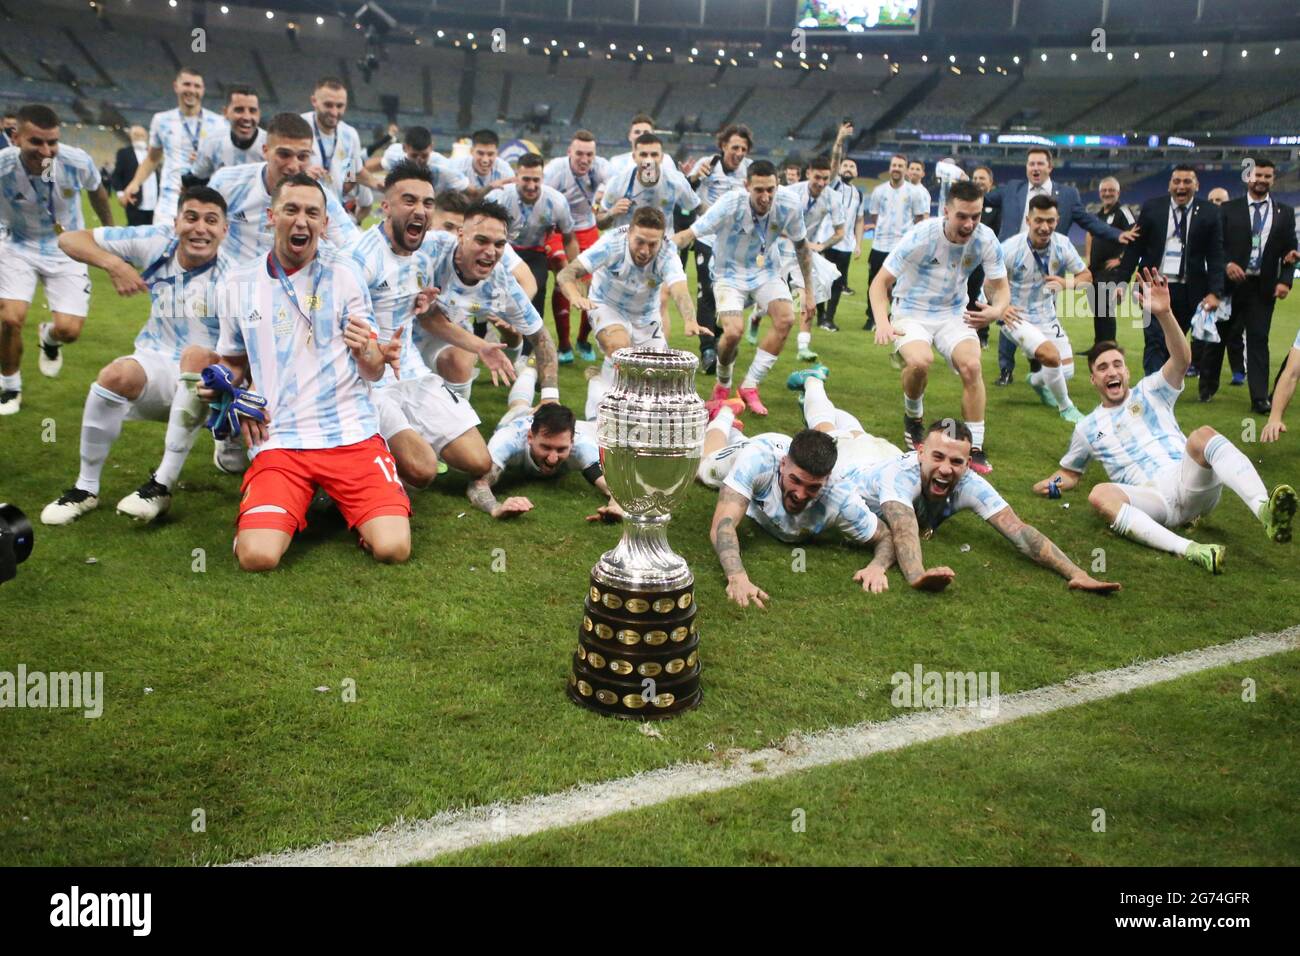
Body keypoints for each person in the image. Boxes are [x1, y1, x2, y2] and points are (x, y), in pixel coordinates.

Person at [212, 172, 411, 571]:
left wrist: (373, 353)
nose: (301, 221)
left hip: (350, 434)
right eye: (291, 210)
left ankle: (338, 503)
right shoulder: (237, 283)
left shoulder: (345, 273)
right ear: (271, 216)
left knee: (394, 549)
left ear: (324, 223)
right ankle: (306, 501)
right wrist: (226, 388)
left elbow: (371, 371)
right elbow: (234, 362)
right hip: (281, 438)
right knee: (257, 558)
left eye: (311, 213)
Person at [1033, 270, 1294, 572]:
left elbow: (1181, 360)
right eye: (1102, 368)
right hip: (1152, 500)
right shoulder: (1087, 427)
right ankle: (1194, 551)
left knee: (1202, 436)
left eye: (1117, 364)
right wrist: (1047, 484)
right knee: (1100, 494)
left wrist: (1165, 313)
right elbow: (1069, 473)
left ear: (1127, 372)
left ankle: (1265, 511)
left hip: (1187, 480)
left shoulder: (1151, 389)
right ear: (1093, 379)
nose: (1112, 371)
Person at [40, 186, 235, 524]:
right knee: (115, 376)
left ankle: (224, 437)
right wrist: (114, 264)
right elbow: (70, 239)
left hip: (215, 385)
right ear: (175, 222)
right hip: (158, 363)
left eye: (211, 221)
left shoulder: (236, 275)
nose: (200, 228)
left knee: (234, 460)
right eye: (191, 218)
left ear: (224, 230)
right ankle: (88, 489)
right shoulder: (156, 241)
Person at [347, 162, 513, 491]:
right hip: (370, 381)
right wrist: (374, 353)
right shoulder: (360, 261)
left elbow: (426, 311)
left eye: (427, 203)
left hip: (411, 371)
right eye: (409, 201)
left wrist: (476, 343)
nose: (420, 210)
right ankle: (363, 453)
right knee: (422, 472)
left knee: (479, 461)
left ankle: (404, 435)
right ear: (386, 206)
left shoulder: (424, 251)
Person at [862, 419, 1120, 594]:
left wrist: (1078, 573)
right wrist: (918, 575)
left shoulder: (969, 483)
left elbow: (1019, 531)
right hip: (857, 459)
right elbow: (904, 528)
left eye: (956, 461)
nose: (945, 469)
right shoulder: (899, 476)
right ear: (920, 453)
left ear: (968, 463)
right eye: (937, 457)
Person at [868, 180, 1008, 473]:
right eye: (962, 216)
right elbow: (880, 283)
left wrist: (995, 310)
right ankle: (914, 417)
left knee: (972, 365)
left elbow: (1000, 288)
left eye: (976, 216)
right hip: (911, 311)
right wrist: (882, 321)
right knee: (920, 362)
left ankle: (975, 447)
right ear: (946, 211)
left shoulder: (985, 239)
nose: (970, 224)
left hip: (953, 314)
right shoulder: (921, 236)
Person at [671, 159, 815, 417]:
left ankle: (750, 385)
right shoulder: (730, 203)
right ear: (747, 185)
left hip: (766, 271)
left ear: (778, 185)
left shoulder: (789, 205)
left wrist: (810, 292)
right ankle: (723, 384)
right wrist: (662, 249)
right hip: (728, 274)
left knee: (786, 319)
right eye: (759, 190)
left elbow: (802, 246)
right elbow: (691, 233)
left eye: (770, 189)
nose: (765, 196)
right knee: (734, 332)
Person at [986, 149, 1137, 385]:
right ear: (1026, 167)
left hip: (1049, 272)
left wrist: (1118, 236)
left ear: (1049, 167)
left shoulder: (1067, 195)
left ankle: (1040, 371)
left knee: (1044, 322)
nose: (1035, 168)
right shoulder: (1012, 189)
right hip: (1013, 264)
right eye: (1031, 164)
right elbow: (982, 199)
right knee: (1010, 314)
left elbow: (1090, 222)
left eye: (1040, 164)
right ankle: (1006, 370)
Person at [0, 104, 114, 416]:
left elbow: (98, 192)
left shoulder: (76, 162)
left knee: (70, 331)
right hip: (16, 244)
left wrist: (110, 233)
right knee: (10, 318)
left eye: (52, 141)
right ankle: (9, 387)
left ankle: (49, 336)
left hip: (67, 246)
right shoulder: (3, 166)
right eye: (36, 142)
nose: (46, 150)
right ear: (16, 137)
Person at [708, 428, 894, 608]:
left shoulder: (841, 498)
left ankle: (736, 431)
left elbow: (885, 536)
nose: (800, 494)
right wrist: (737, 577)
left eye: (812, 487)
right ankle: (724, 417)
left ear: (827, 480)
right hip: (753, 448)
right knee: (704, 468)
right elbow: (722, 525)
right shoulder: (756, 462)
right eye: (795, 480)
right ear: (782, 464)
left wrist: (877, 567)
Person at [556, 207, 700, 417]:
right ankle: (600, 416)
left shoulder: (668, 254)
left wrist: (690, 320)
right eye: (640, 241)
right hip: (606, 304)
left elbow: (679, 290)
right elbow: (565, 274)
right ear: (629, 233)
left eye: (652, 244)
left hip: (645, 314)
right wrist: (575, 296)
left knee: (654, 374)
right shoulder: (611, 243)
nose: (645, 250)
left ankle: (598, 381)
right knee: (619, 348)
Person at [412, 199, 559, 405]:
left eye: (499, 244)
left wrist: (550, 397)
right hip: (400, 336)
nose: (491, 251)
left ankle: (456, 413)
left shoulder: (502, 282)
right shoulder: (427, 247)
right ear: (461, 235)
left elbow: (541, 336)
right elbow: (428, 318)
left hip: (449, 333)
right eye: (481, 241)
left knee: (460, 362)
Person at [1201, 159, 1296, 412]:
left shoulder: (1283, 212)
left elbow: (1291, 251)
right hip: (1229, 286)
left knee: (1258, 340)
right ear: (1248, 177)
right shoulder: (1228, 209)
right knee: (1218, 337)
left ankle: (1259, 398)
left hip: (1262, 288)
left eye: (1267, 176)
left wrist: (1285, 281)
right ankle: (1207, 386)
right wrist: (1227, 264)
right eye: (1258, 175)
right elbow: (1215, 247)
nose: (1262, 180)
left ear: (1273, 179)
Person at [1117, 164, 1224, 378]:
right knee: (1154, 340)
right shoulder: (1152, 208)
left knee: (1174, 341)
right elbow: (1134, 248)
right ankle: (1152, 388)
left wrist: (1215, 292)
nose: (1181, 186)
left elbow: (1215, 255)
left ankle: (1164, 384)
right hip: (1152, 287)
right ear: (1169, 186)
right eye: (1176, 181)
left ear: (1196, 185)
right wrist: (1120, 282)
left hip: (1189, 291)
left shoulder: (1210, 213)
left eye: (1187, 181)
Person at [207, 112, 359, 262]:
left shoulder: (350, 136)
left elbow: (354, 247)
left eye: (302, 157)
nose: (293, 166)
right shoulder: (227, 183)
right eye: (284, 155)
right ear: (265, 151)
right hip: (237, 282)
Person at [999, 195, 1091, 423]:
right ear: (1028, 219)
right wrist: (1002, 307)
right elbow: (990, 284)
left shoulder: (1063, 244)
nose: (1044, 227)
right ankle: (1066, 407)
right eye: (1039, 220)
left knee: (1065, 372)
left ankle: (1036, 380)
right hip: (1015, 317)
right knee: (1051, 357)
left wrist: (1067, 283)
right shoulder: (1010, 249)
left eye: (1050, 221)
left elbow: (1086, 276)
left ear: (1057, 220)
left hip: (1047, 316)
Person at [469, 391, 623, 522]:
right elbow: (478, 484)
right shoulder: (508, 440)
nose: (553, 459)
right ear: (530, 437)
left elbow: (614, 486)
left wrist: (615, 507)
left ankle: (594, 377)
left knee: (603, 424)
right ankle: (528, 366)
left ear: (572, 441)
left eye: (561, 449)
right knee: (518, 406)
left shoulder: (582, 446)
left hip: (586, 429)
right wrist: (496, 508)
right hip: (515, 419)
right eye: (546, 447)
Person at [685, 123, 754, 374]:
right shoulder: (708, 164)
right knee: (706, 291)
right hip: (707, 237)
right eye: (735, 147)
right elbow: (687, 194)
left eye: (743, 148)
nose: (739, 152)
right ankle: (707, 349)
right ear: (723, 146)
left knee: (732, 292)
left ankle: (722, 335)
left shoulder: (749, 170)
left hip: (736, 243)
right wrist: (694, 178)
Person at [488, 153, 578, 343]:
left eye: (536, 180)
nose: (531, 185)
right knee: (487, 290)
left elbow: (569, 237)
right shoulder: (499, 196)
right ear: (516, 177)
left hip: (534, 252)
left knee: (536, 289)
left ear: (543, 178)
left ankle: (529, 350)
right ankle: (480, 336)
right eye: (526, 179)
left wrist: (574, 271)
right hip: (502, 250)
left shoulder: (556, 201)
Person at [122, 67, 226, 224]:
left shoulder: (219, 123)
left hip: (206, 199)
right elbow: (153, 158)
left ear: (203, 90)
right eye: (187, 84)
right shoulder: (161, 120)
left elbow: (226, 163)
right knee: (162, 247)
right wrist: (135, 183)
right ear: (176, 86)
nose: (192, 90)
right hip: (169, 201)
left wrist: (207, 161)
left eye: (197, 86)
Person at [543, 130, 612, 363]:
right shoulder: (555, 170)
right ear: (569, 152)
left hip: (588, 229)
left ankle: (583, 339)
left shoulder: (601, 166)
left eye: (589, 154)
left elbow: (616, 183)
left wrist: (604, 192)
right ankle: (564, 345)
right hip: (558, 230)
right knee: (564, 276)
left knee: (593, 285)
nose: (584, 159)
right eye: (579, 153)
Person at [863, 154, 928, 331]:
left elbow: (920, 218)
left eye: (900, 166)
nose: (897, 168)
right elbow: (875, 216)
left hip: (902, 247)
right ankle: (872, 318)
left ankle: (897, 317)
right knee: (874, 282)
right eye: (894, 165)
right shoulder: (879, 191)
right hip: (879, 245)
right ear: (890, 168)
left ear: (905, 169)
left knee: (901, 285)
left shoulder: (914, 192)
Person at [783, 155, 846, 335]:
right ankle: (755, 318)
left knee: (808, 296)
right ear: (808, 173)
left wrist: (821, 246)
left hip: (803, 252)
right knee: (767, 299)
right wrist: (795, 237)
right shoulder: (791, 192)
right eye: (817, 177)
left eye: (825, 178)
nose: (821, 182)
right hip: (781, 247)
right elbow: (774, 222)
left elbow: (840, 232)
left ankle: (804, 347)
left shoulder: (832, 198)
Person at [596, 133, 699, 231]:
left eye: (654, 155)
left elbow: (697, 207)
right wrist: (611, 213)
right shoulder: (617, 183)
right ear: (634, 157)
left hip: (662, 245)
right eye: (643, 155)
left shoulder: (676, 181)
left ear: (662, 157)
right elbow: (600, 223)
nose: (649, 160)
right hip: (626, 245)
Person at [1083, 176, 1136, 349]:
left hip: (1111, 272)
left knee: (1105, 309)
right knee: (1097, 309)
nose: (1107, 193)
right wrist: (1089, 258)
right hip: (1096, 270)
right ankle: (1099, 346)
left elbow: (1135, 233)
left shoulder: (1123, 210)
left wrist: (1121, 259)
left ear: (1118, 192)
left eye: (1111, 190)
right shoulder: (1099, 215)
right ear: (1099, 193)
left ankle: (1110, 345)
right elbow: (1090, 234)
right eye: (1104, 190)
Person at [1204, 186, 1246, 388]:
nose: (1215, 204)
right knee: (1207, 331)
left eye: (1219, 200)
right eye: (1211, 201)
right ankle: (1203, 375)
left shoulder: (1237, 223)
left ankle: (1239, 371)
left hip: (1236, 286)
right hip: (1211, 285)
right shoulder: (1205, 223)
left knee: (1236, 332)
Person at [824, 122, 865, 331]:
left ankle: (828, 318)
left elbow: (859, 220)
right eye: (845, 165)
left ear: (856, 173)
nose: (848, 168)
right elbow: (833, 162)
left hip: (846, 245)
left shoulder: (858, 193)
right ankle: (821, 316)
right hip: (826, 241)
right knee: (822, 280)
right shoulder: (834, 184)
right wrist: (839, 140)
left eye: (852, 166)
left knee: (837, 284)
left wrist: (858, 244)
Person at [301, 77, 369, 200]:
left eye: (340, 106)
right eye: (328, 105)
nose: (334, 112)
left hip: (332, 211)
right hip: (301, 203)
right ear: (314, 101)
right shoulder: (298, 126)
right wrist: (301, 175)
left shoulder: (350, 135)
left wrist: (337, 193)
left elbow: (351, 175)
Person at [188, 86, 266, 180]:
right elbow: (193, 179)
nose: (247, 117)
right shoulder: (213, 143)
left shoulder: (271, 145)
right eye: (239, 110)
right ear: (225, 112)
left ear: (259, 114)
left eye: (252, 111)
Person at [366, 126, 469, 195]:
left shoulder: (445, 168)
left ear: (431, 148)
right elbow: (356, 169)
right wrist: (373, 182)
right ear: (404, 148)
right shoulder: (394, 155)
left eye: (424, 156)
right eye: (414, 155)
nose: (418, 161)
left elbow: (472, 193)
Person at [968, 165, 999, 350]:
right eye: (975, 178)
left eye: (982, 178)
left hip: (985, 260)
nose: (978, 182)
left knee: (983, 299)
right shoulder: (968, 204)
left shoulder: (997, 206)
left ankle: (982, 335)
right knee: (967, 297)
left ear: (991, 183)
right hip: (966, 259)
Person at [605, 113, 679, 181]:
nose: (641, 135)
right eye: (637, 132)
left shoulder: (666, 160)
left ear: (653, 135)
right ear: (629, 136)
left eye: (646, 132)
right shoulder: (616, 162)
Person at [111, 126, 158, 227]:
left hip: (155, 202)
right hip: (135, 200)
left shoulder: (153, 153)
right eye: (136, 134)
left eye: (142, 135)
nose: (139, 137)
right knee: (135, 232)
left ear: (146, 136)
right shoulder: (124, 153)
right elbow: (117, 175)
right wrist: (120, 194)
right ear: (131, 136)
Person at [450, 129, 515, 197]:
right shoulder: (456, 168)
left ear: (496, 153)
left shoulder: (505, 171)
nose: (485, 160)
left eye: (490, 154)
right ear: (472, 151)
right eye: (480, 153)